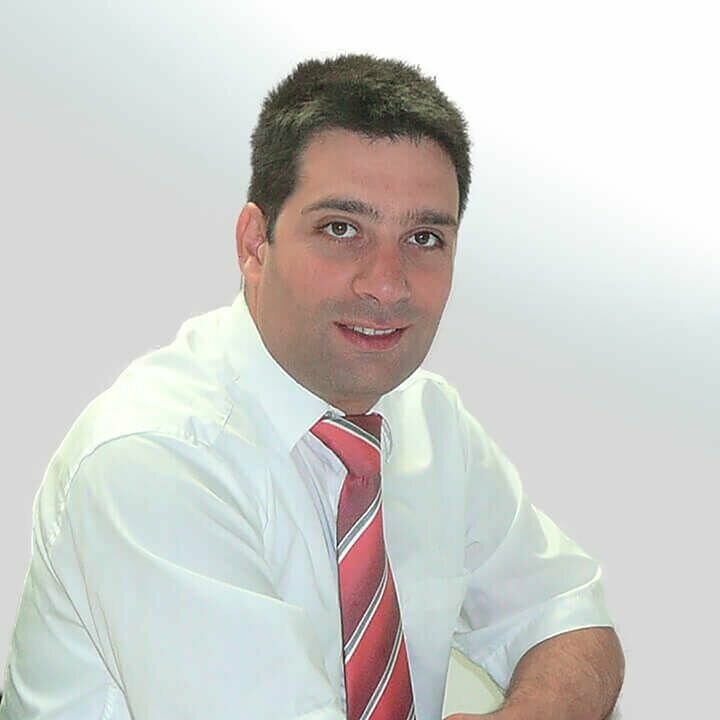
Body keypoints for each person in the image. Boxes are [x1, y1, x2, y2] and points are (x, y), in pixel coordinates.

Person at [0, 55, 624, 720]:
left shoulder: (426, 420)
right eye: (341, 229)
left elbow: (570, 619)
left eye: (423, 237)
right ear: (254, 244)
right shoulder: (152, 458)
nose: (386, 283)